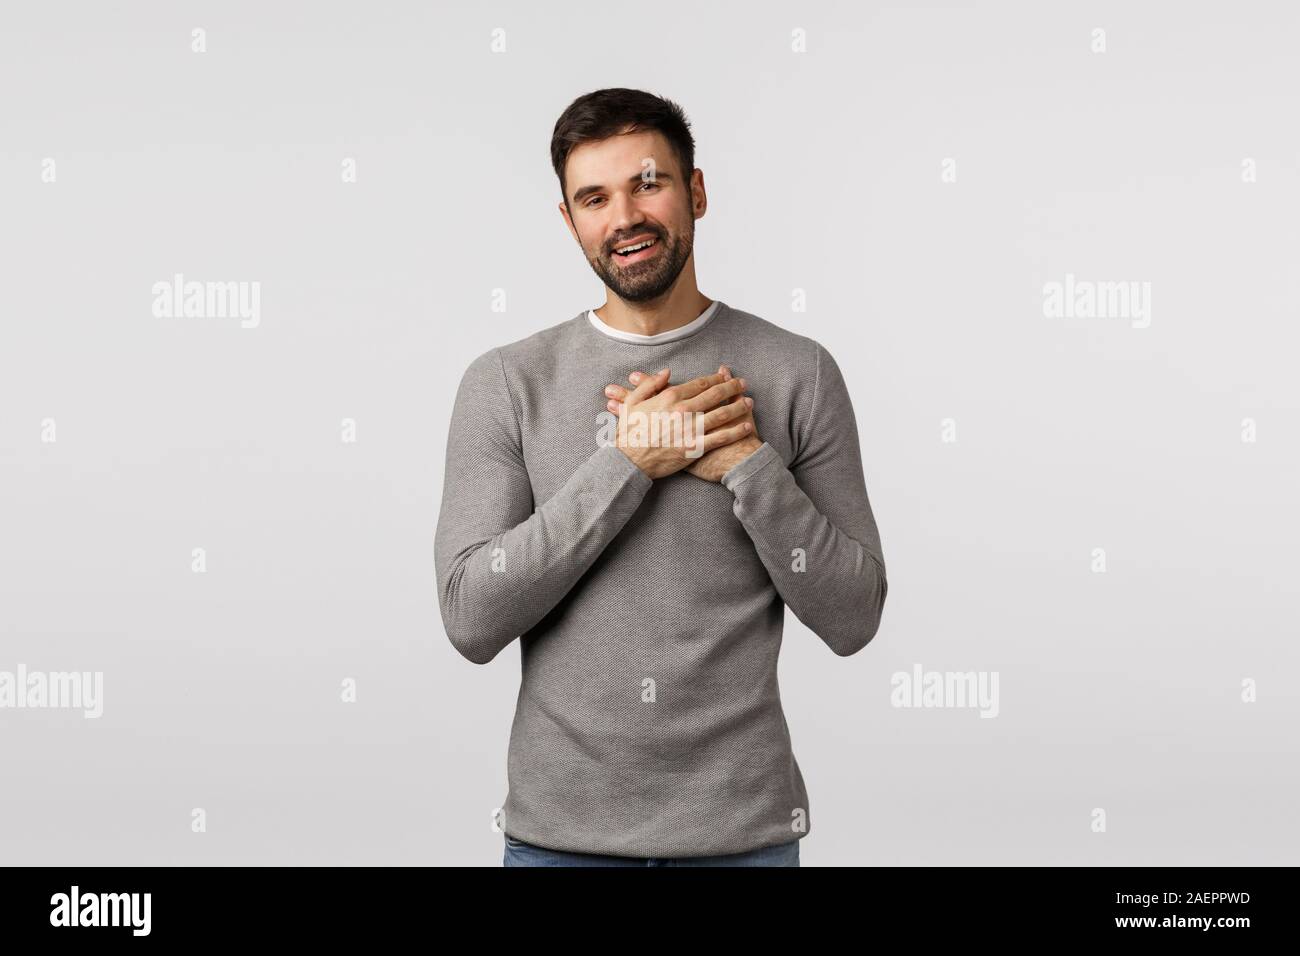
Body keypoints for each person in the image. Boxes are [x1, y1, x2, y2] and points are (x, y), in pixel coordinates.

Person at [435, 88, 888, 867]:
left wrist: (749, 465)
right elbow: (472, 619)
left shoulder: (797, 373)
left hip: (744, 840)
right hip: (558, 841)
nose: (625, 217)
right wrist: (628, 464)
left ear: (696, 191)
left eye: (648, 182)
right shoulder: (508, 383)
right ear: (569, 221)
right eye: (594, 198)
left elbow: (854, 617)